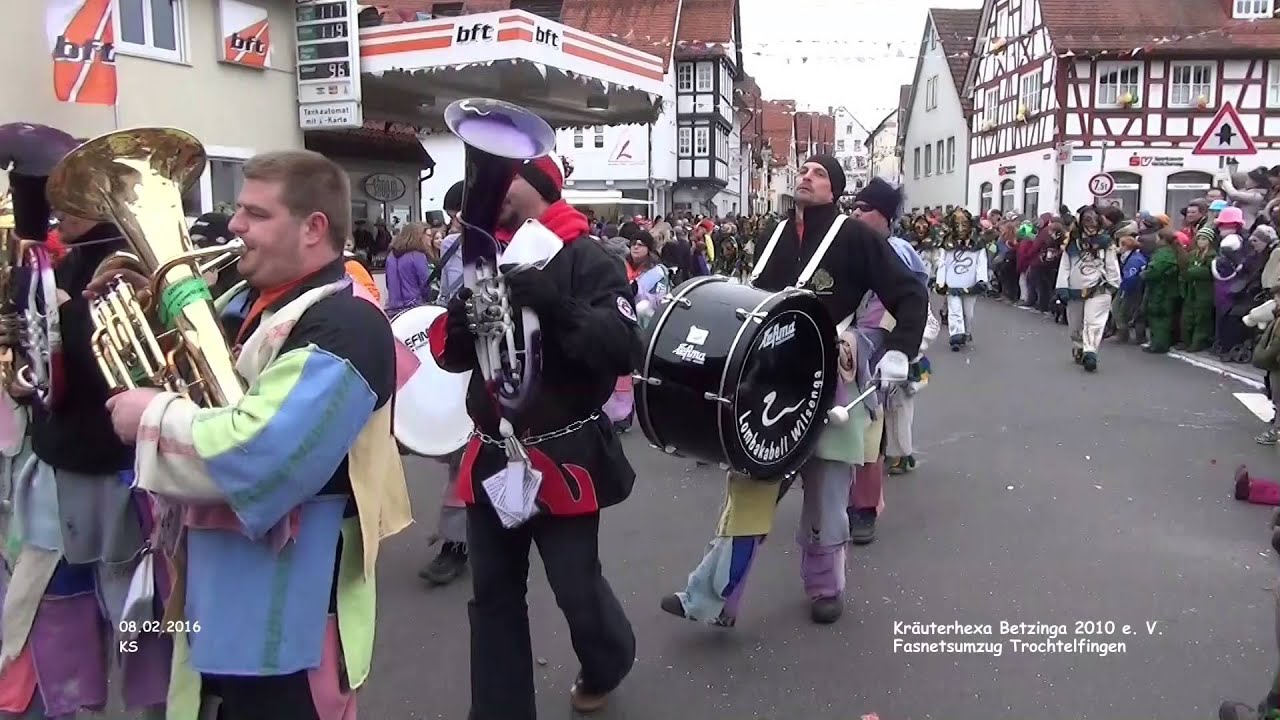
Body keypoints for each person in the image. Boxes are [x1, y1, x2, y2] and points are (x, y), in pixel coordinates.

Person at [101, 150, 412, 720]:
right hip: (227, 599)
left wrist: (149, 414)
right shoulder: (264, 307)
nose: (235, 225)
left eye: (255, 213)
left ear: (313, 227)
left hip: (290, 620)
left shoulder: (347, 323)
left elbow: (262, 453)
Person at [659, 157, 928, 627]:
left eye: (819, 173)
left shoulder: (856, 237)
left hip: (830, 379)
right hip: (771, 379)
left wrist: (899, 350)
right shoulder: (773, 233)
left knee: (826, 488)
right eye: (803, 171)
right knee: (751, 483)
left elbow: (910, 294)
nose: (806, 177)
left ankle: (827, 587)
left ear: (835, 190)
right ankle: (711, 597)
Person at [428, 154, 639, 719]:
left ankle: (608, 659)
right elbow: (451, 358)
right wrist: (460, 322)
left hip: (566, 452)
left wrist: (559, 308)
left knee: (576, 587)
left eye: (505, 174)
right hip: (494, 453)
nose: (489, 184)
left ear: (538, 185)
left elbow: (623, 347)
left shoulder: (589, 256)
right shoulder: (481, 256)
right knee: (493, 597)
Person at [0, 140, 170, 720]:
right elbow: (46, 360)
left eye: (63, 198)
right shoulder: (56, 260)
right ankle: (74, 704)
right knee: (61, 610)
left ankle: (152, 706)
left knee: (136, 612)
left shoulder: (129, 257)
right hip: (58, 466)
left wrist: (69, 314)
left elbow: (129, 369)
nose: (54, 215)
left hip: (120, 473)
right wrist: (28, 379)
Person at [419, 180, 470, 587]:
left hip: (498, 364)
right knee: (460, 456)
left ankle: (468, 539)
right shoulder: (452, 245)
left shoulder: (509, 245)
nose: (459, 217)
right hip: (458, 356)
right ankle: (456, 542)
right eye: (456, 211)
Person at [1055, 205, 1121, 372]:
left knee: (1094, 322)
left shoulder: (1106, 243)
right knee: (1076, 324)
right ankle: (1079, 346)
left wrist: (1114, 284)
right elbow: (1065, 266)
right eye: (1087, 222)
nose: (1091, 226)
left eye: (1094, 222)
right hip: (1075, 289)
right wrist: (1062, 286)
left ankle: (1090, 352)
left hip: (1099, 288)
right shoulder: (1071, 243)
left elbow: (1112, 265)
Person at [936, 208, 988, 350]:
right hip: (953, 283)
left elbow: (981, 263)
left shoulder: (977, 244)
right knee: (955, 311)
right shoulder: (946, 243)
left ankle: (966, 332)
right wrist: (941, 282)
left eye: (964, 224)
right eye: (957, 224)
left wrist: (982, 280)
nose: (960, 228)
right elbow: (942, 264)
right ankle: (956, 335)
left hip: (970, 283)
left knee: (968, 314)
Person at [384, 221, 433, 314]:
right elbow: (425, 283)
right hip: (414, 307)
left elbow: (388, 283)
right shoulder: (418, 256)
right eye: (428, 235)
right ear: (419, 236)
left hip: (393, 307)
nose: (430, 239)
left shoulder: (391, 256)